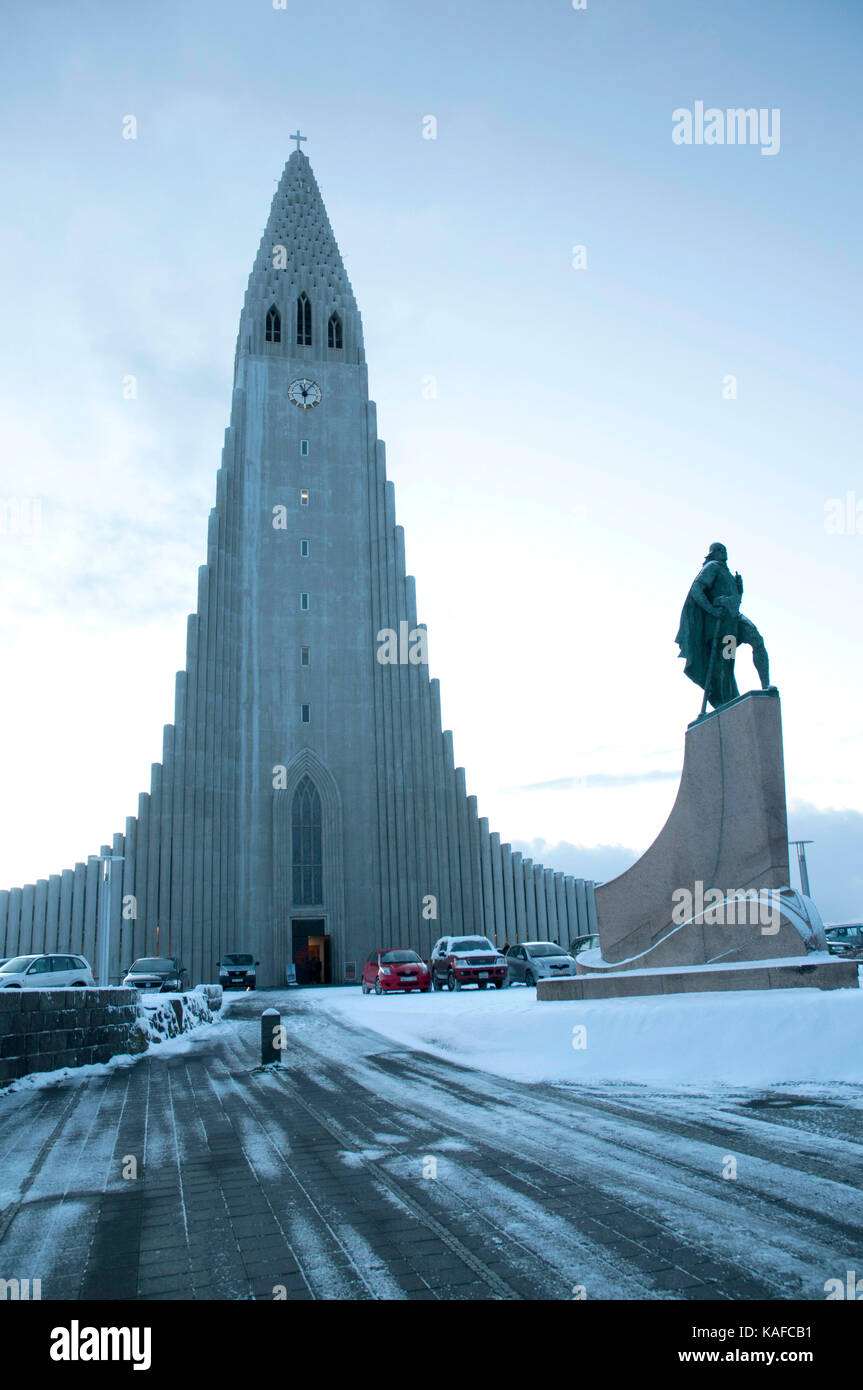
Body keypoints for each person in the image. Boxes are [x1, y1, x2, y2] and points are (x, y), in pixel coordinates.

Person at [676, 542, 773, 711]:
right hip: (722, 626)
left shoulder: (726, 572)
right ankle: (726, 701)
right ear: (712, 554)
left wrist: (739, 590)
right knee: (725, 665)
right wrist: (712, 610)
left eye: (724, 549)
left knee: (757, 640)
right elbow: (696, 590)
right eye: (719, 550)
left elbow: (735, 601)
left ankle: (766, 686)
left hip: (734, 618)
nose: (723, 552)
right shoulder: (712, 567)